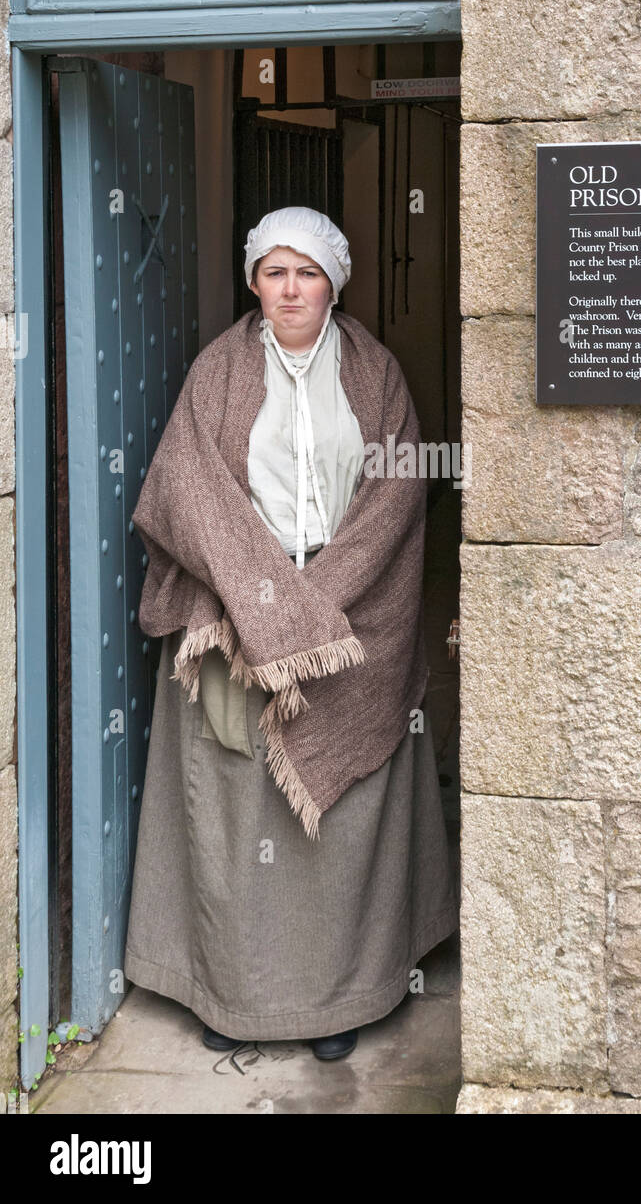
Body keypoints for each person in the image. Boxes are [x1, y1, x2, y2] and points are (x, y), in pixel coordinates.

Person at [123, 206, 458, 1062]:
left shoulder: (375, 374)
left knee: (337, 831)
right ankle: (231, 995)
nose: (291, 288)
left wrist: (313, 610)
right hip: (237, 612)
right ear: (253, 283)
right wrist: (261, 604)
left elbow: (394, 498)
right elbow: (186, 490)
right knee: (236, 820)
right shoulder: (219, 372)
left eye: (307, 272)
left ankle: (338, 997)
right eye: (274, 272)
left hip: (347, 615)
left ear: (334, 283)